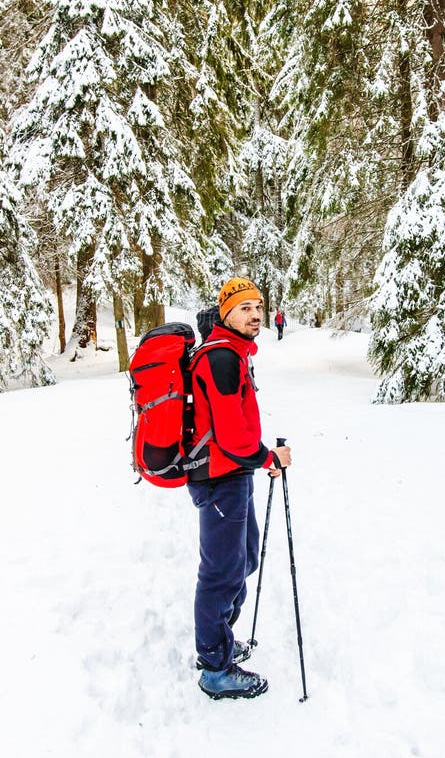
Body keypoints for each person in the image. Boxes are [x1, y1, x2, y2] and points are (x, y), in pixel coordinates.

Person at [187, 277, 292, 700]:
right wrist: (268, 458)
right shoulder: (222, 357)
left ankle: (222, 640)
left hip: (233, 474)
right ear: (226, 312)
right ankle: (214, 667)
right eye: (245, 307)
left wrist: (256, 460)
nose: (255, 314)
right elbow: (231, 436)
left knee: (243, 558)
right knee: (221, 573)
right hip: (218, 478)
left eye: (259, 307)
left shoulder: (232, 352)